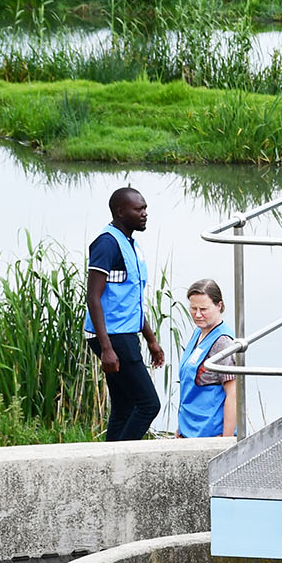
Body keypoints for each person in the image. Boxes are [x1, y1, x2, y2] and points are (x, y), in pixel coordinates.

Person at [85, 186, 165, 442]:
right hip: (114, 337)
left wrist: (151, 340)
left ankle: (107, 464)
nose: (144, 214)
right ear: (120, 212)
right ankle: (122, 460)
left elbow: (131, 301)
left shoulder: (131, 244)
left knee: (124, 407)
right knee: (148, 404)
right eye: (138, 209)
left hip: (125, 333)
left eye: (145, 209)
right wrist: (107, 348)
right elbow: (93, 297)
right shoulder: (107, 244)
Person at [176, 278, 238, 439]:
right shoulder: (199, 332)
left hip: (210, 433)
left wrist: (226, 441)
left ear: (219, 306)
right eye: (193, 308)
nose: (197, 314)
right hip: (188, 430)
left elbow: (234, 395)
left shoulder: (223, 343)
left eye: (203, 309)